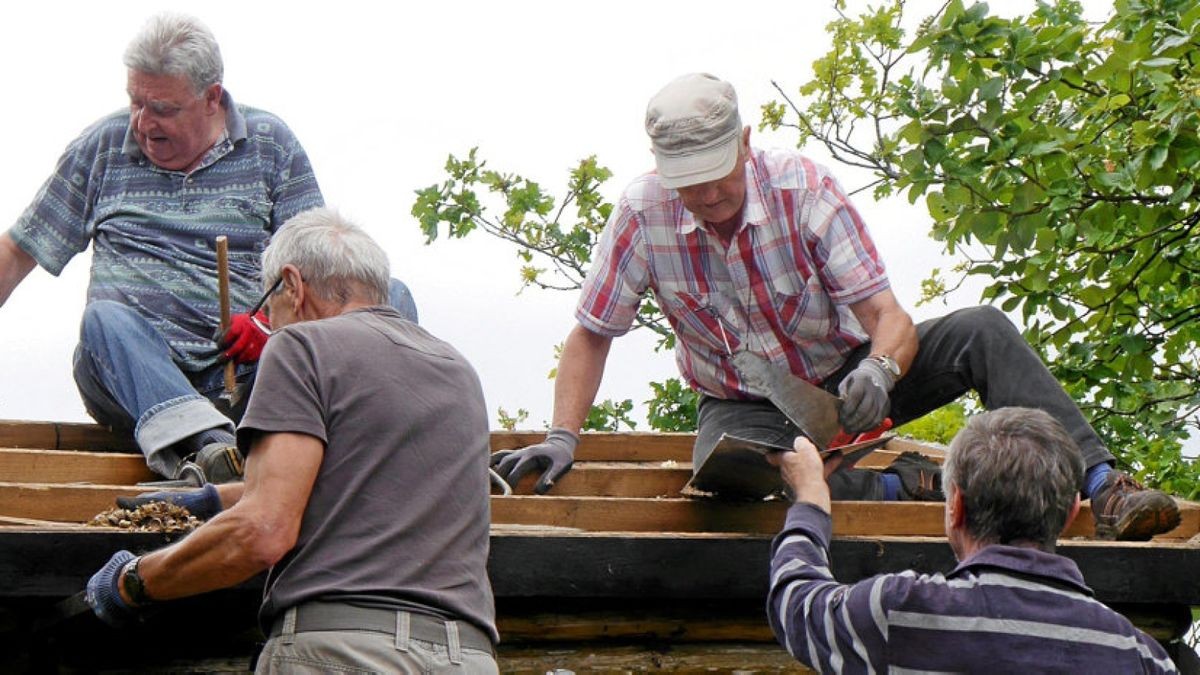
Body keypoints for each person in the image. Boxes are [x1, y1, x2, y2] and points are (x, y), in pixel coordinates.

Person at [491, 72, 1180, 541]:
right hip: (744, 407)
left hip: (850, 377)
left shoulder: (804, 190)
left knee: (983, 332)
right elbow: (591, 335)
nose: (704, 197)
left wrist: (880, 368)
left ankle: (1104, 484)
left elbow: (891, 316)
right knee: (726, 488)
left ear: (746, 141)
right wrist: (562, 437)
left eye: (717, 176)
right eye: (688, 184)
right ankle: (903, 487)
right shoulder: (642, 215)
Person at [0, 13, 418, 484]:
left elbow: (322, 267)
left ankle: (393, 443)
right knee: (104, 320)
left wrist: (266, 326)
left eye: (162, 108)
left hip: (260, 380)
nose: (142, 122)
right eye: (135, 102)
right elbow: (16, 252)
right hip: (135, 379)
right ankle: (212, 450)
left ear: (211, 97)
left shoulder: (270, 145)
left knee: (386, 299)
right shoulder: (102, 147)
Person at [85, 208, 498, 673]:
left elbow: (262, 533)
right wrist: (213, 499)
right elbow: (356, 479)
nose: (270, 323)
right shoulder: (457, 369)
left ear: (293, 285)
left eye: (268, 306)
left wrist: (133, 581)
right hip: (467, 656)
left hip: (348, 654)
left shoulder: (303, 346)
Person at [766, 407, 1178, 673]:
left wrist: (812, 499)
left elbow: (795, 602)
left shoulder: (898, 610)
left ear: (955, 505)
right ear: (1071, 513)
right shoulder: (1140, 656)